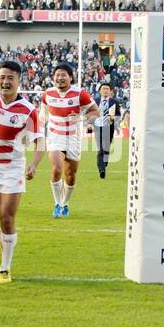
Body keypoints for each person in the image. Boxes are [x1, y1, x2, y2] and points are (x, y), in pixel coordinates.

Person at [0, 61, 45, 283]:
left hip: (12, 169)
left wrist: (33, 164)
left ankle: (5, 269)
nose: (5, 82)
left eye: (10, 78)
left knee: (6, 217)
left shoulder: (28, 110)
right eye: (2, 77)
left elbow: (39, 140)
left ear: (18, 80)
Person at [42, 63, 100, 217]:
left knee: (70, 175)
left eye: (63, 75)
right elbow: (43, 114)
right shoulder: (47, 93)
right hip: (54, 137)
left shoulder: (80, 94)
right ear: (53, 77)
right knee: (56, 168)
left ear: (70, 77)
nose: (60, 78)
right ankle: (57, 204)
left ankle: (65, 203)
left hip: (73, 138)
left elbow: (96, 112)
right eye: (57, 75)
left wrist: (81, 117)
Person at [93, 83, 121, 179]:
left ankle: (104, 163)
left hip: (109, 128)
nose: (105, 90)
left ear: (110, 91)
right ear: (100, 91)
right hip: (98, 127)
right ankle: (102, 170)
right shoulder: (95, 101)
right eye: (103, 88)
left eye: (107, 89)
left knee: (106, 149)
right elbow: (90, 113)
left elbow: (118, 115)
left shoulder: (114, 102)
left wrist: (114, 118)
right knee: (100, 149)